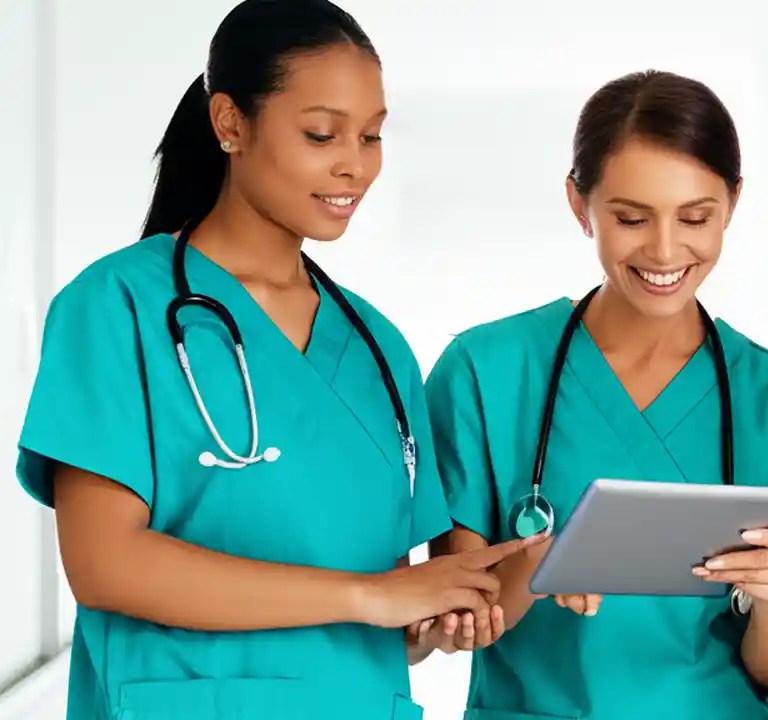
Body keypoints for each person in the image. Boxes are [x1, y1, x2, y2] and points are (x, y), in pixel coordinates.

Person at [14, 2, 537, 718]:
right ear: (230, 123)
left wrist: (441, 609)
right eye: (322, 133)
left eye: (373, 135)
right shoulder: (116, 307)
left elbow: (387, 622)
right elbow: (105, 565)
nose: (355, 164)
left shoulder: (379, 350)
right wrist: (370, 596)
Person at [420, 70, 768, 719]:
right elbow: (463, 621)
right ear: (579, 202)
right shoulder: (484, 373)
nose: (664, 249)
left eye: (696, 217)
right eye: (630, 217)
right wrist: (543, 566)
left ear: (732, 202)